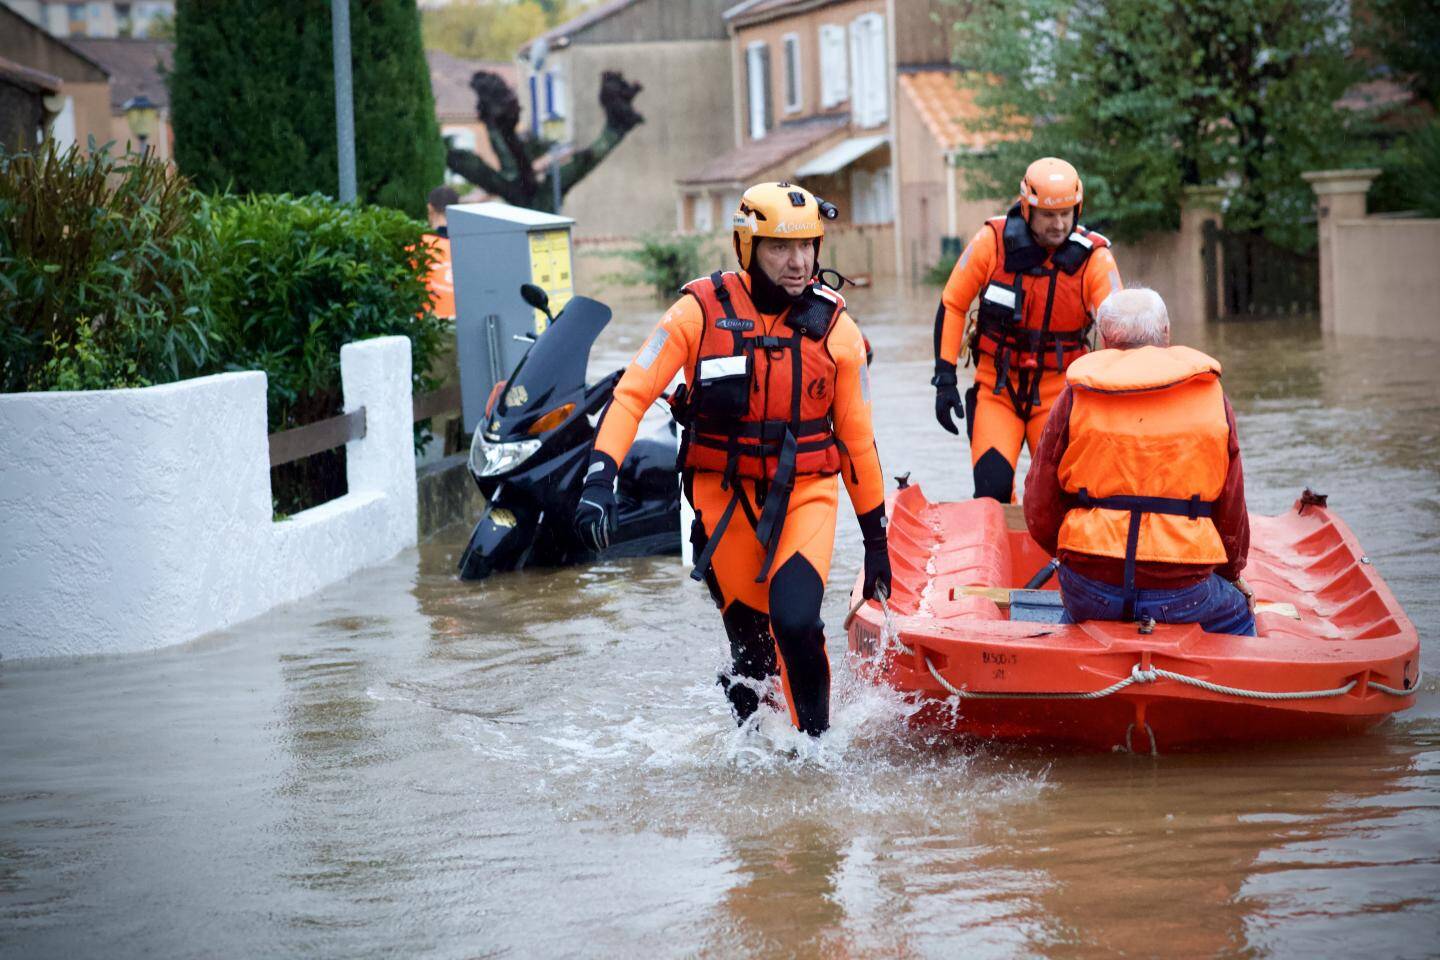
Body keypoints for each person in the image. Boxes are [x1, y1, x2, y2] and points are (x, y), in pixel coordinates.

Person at [573, 182, 891, 736]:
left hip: (805, 495)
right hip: (723, 496)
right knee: (751, 652)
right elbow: (632, 393)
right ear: (747, 248)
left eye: (808, 247)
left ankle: (817, 751)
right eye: (779, 249)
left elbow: (858, 444)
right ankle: (755, 750)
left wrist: (876, 541)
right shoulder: (697, 313)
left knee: (795, 622)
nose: (798, 263)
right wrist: (600, 479)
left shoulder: (839, 333)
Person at [1023, 287, 1255, 636]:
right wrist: (1232, 574)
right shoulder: (1211, 395)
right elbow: (1231, 506)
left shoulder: (1075, 395)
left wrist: (1075, 556)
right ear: (1166, 333)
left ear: (1102, 340)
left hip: (1090, 585)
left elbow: (1039, 505)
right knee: (1238, 615)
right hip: (1182, 589)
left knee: (1080, 606)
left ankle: (1070, 652)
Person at [932, 157, 1123, 501]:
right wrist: (944, 378)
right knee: (992, 491)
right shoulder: (992, 241)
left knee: (1062, 496)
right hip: (997, 388)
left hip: (1059, 393)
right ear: (1027, 208)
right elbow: (953, 303)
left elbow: (1119, 328)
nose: (1059, 224)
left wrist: (1116, 398)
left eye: (1066, 213)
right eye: (1049, 214)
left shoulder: (1095, 259)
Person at [423, 185, 460, 319]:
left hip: (429, 326)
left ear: (430, 208)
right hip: (463, 323)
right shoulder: (467, 247)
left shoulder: (418, 246)